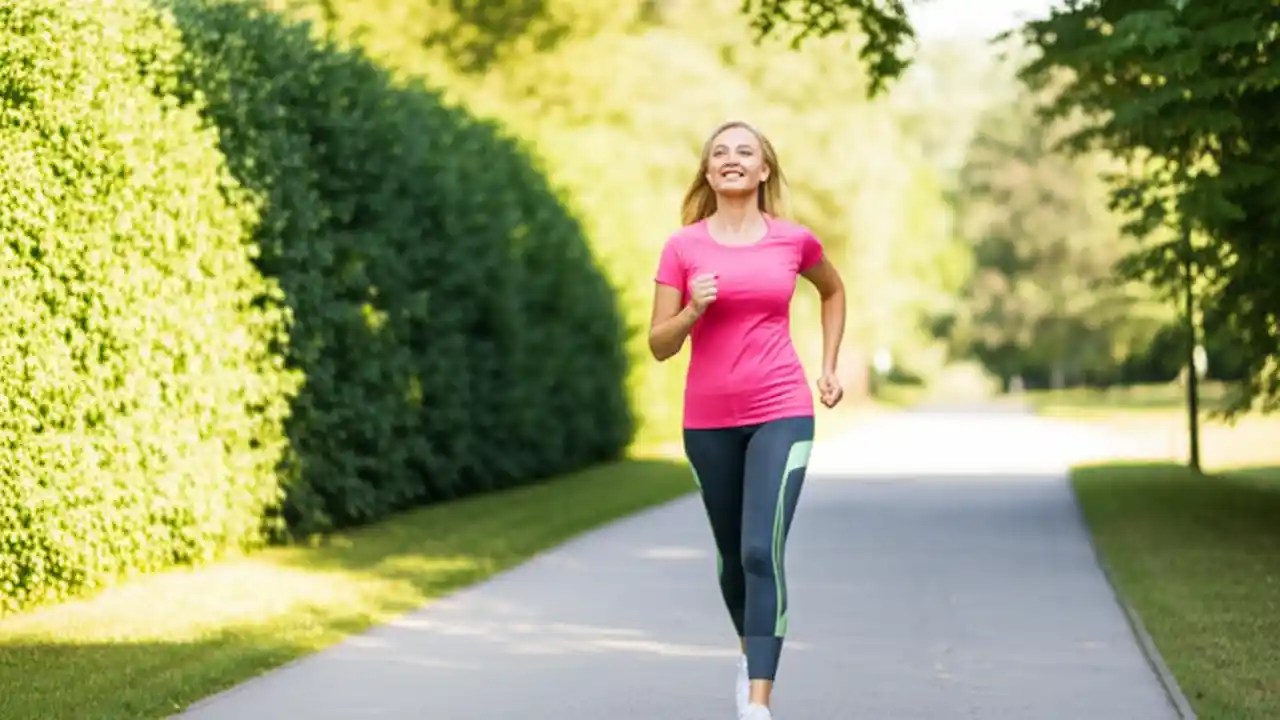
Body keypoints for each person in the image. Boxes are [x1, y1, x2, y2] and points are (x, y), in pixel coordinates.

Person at [648, 120, 847, 720]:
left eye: (745, 152)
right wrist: (692, 309)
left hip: (781, 408)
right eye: (720, 153)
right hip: (707, 421)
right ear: (708, 173)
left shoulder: (794, 241)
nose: (731, 160)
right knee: (733, 558)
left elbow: (832, 292)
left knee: (762, 551)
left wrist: (828, 364)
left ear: (764, 170)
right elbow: (659, 345)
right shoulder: (682, 248)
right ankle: (749, 658)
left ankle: (758, 704)